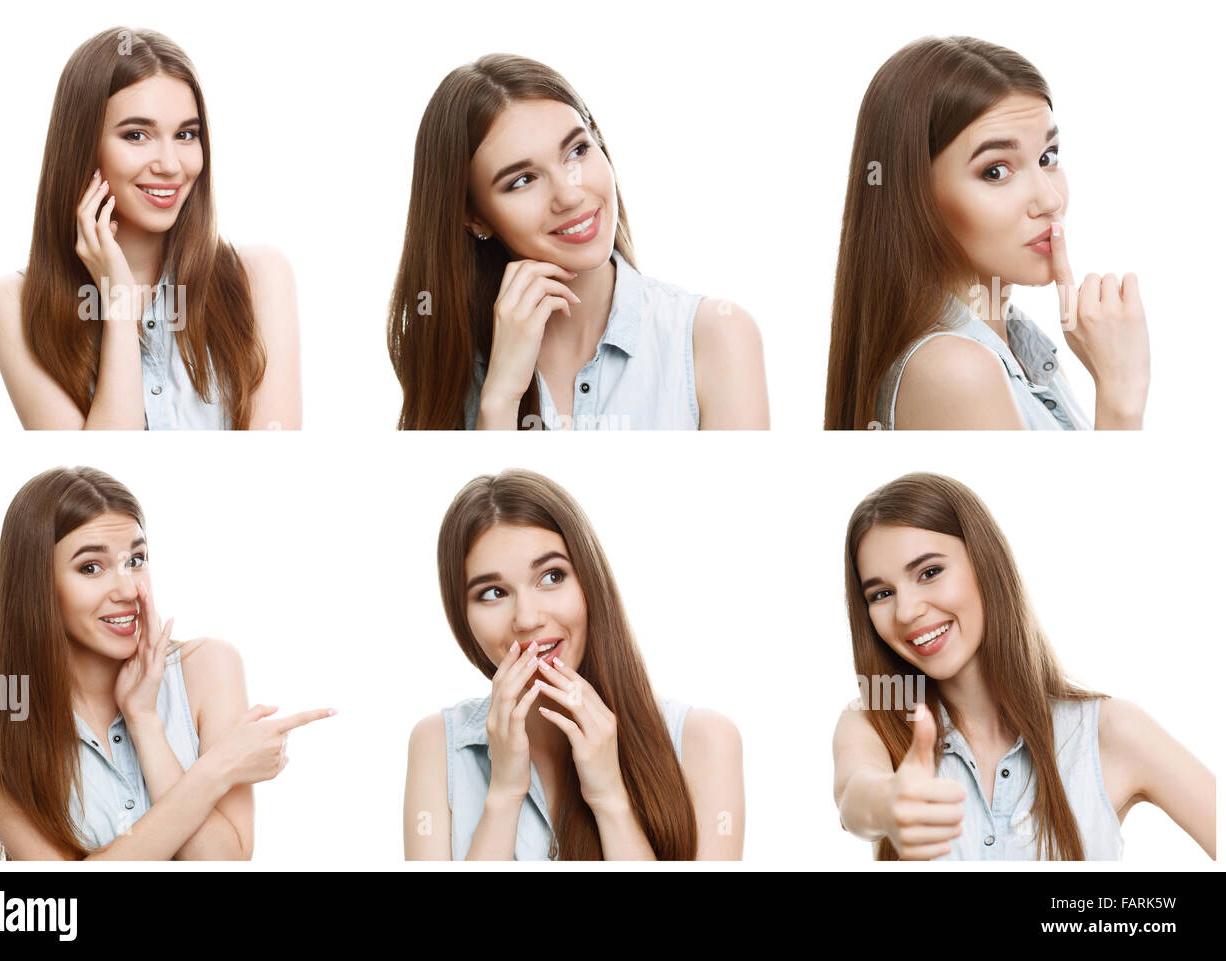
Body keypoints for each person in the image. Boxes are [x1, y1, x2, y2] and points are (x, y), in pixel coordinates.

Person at [832, 472, 1214, 859]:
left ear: (985, 563)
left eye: (930, 572)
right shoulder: (873, 718)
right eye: (881, 594)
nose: (907, 610)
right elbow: (854, 792)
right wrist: (885, 803)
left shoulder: (1108, 731)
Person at [0, 467, 333, 859]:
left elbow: (221, 863)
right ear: (36, 584)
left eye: (135, 560)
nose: (126, 590)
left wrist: (144, 721)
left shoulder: (207, 667)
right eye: (91, 567)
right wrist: (219, 768)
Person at [388, 54, 769, 430]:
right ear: (475, 217)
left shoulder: (715, 337)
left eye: (577, 151)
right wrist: (501, 397)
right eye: (522, 180)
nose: (569, 195)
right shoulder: (452, 364)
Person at [404, 469, 744, 858]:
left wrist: (610, 799)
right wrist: (503, 794)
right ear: (462, 614)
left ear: (589, 581)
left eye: (551, 576)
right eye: (493, 592)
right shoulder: (438, 746)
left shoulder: (706, 741)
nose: (527, 619)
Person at [824, 37, 1149, 430]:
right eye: (996, 171)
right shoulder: (957, 371)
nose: (1049, 200)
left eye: (1047, 158)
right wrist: (1120, 394)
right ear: (915, 196)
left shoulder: (1024, 348)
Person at [0, 27, 301, 429]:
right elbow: (102, 472)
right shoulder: (14, 303)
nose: (170, 164)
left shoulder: (259, 277)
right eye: (137, 135)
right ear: (82, 146)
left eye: (186, 134)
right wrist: (118, 303)